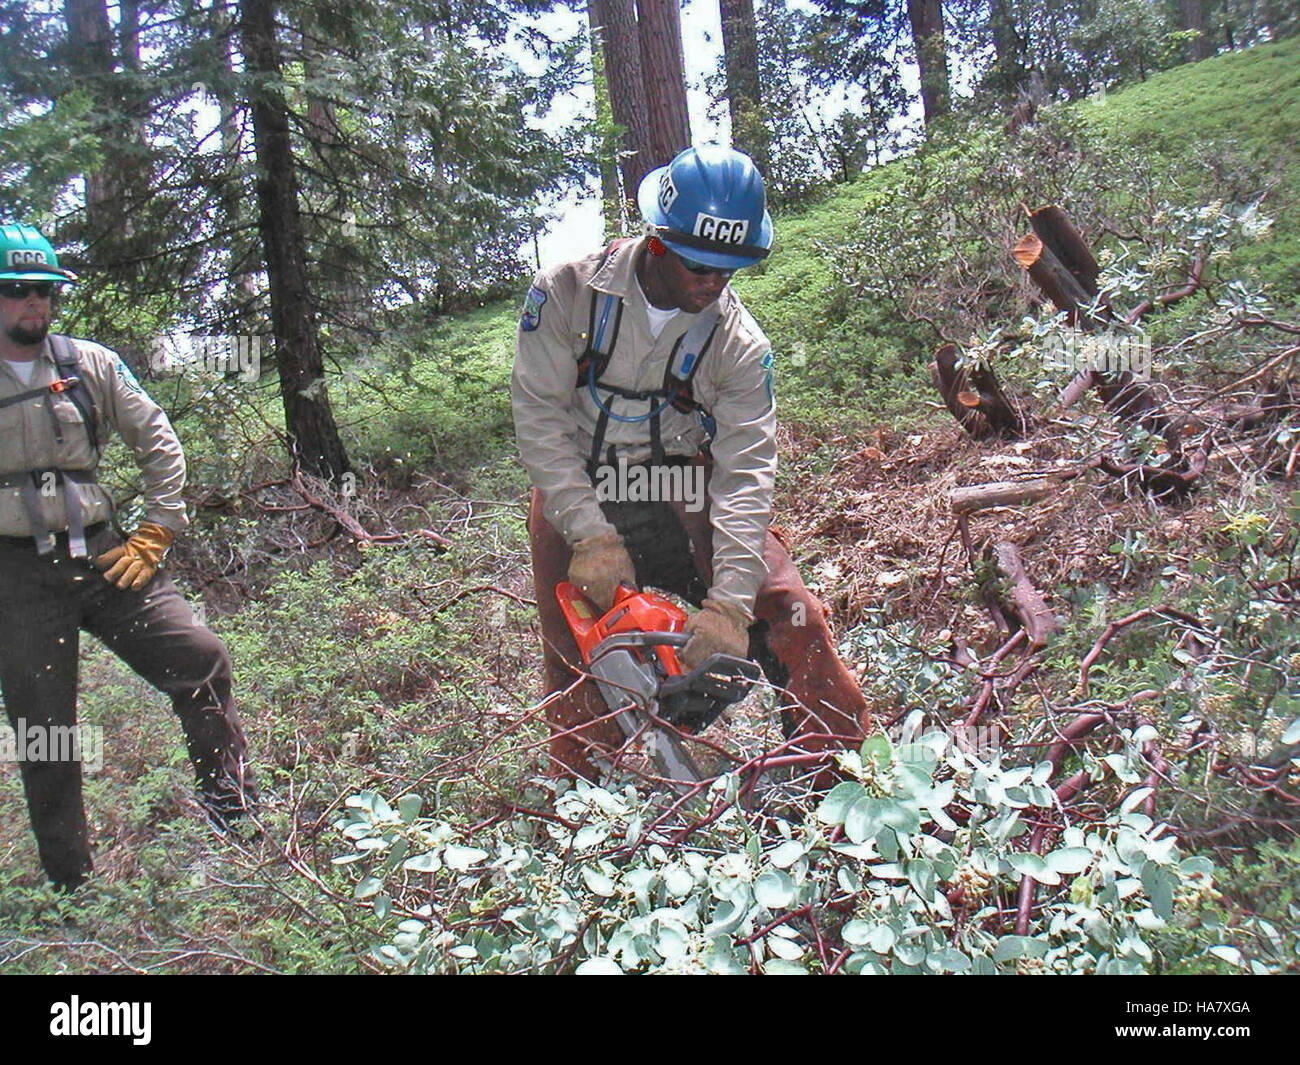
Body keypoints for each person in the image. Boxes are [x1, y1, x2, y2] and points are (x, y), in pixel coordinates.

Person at [511, 145, 870, 781]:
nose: (713, 282)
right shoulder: (567, 291)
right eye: (700, 264)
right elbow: (538, 419)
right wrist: (590, 534)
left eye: (730, 269)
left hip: (681, 479)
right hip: (574, 482)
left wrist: (731, 605)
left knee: (789, 609)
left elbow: (746, 475)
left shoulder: (739, 345)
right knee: (573, 671)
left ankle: (844, 777)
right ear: (659, 242)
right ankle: (585, 819)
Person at [0, 222, 255, 892]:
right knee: (45, 731)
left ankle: (238, 819)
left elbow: (159, 441)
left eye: (44, 291)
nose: (33, 303)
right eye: (17, 290)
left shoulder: (89, 364)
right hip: (17, 572)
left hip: (104, 556)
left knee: (201, 658)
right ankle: (73, 886)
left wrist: (156, 532)